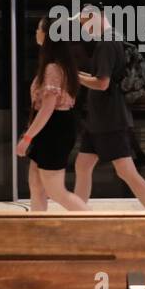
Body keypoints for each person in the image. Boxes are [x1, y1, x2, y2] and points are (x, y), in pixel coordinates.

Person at [73, 7, 145, 210]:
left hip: (109, 120)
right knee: (83, 166)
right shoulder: (112, 40)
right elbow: (101, 80)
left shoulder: (107, 44)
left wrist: (74, 76)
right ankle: (78, 216)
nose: (84, 29)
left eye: (84, 23)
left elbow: (102, 83)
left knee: (126, 172)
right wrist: (76, 74)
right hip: (99, 120)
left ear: (95, 18)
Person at [17, 16, 89, 212]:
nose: (36, 32)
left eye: (39, 28)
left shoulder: (52, 68)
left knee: (56, 191)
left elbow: (48, 108)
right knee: (37, 186)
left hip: (54, 129)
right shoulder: (59, 65)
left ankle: (97, 227)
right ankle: (38, 234)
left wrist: (27, 137)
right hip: (52, 128)